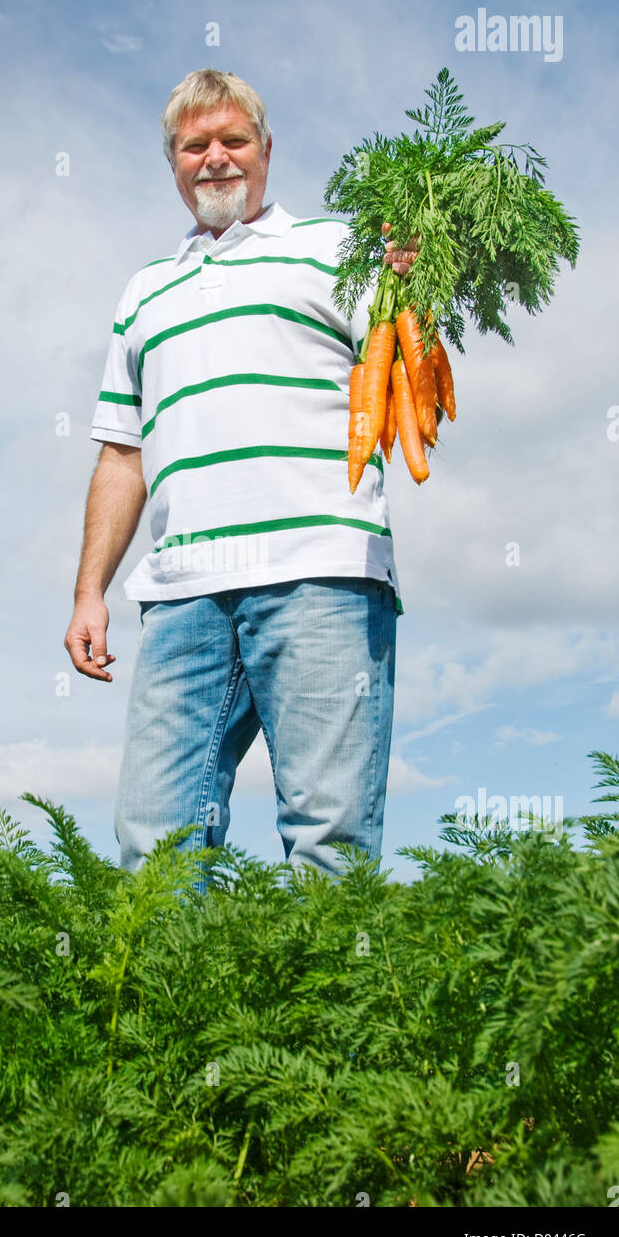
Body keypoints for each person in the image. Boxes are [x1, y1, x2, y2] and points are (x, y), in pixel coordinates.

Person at [64, 69, 418, 894]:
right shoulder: (142, 293)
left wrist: (411, 282)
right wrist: (90, 591)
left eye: (234, 140)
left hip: (321, 572)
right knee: (154, 847)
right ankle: (175, 1024)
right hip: (182, 594)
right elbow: (121, 453)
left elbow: (409, 366)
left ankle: (327, 1024)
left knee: (327, 840)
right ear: (173, 163)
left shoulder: (339, 249)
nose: (215, 159)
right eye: (195, 146)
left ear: (265, 151)